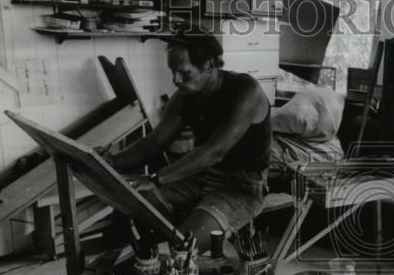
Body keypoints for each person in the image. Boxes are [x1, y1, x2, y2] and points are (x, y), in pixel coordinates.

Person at [104, 32, 272, 249]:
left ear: (209, 65)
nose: (175, 80)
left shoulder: (245, 90)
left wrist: (156, 179)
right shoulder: (185, 97)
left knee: (183, 247)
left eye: (184, 72)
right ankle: (145, 271)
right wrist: (111, 161)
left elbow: (215, 151)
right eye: (172, 72)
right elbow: (154, 143)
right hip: (200, 175)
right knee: (129, 209)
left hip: (241, 186)